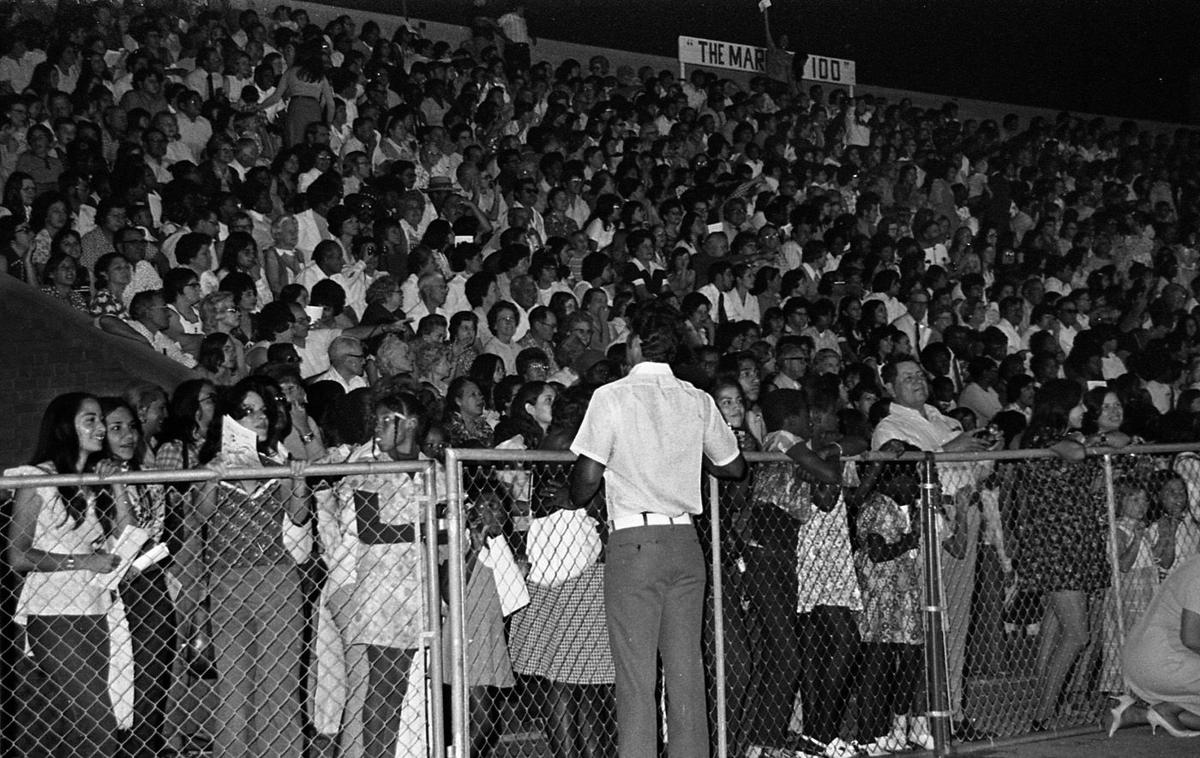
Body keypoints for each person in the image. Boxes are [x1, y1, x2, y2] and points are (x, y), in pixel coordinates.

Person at [569, 304, 745, 758]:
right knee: (686, 669)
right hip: (686, 542)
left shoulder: (611, 396)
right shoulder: (696, 398)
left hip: (634, 541)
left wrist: (569, 496)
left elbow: (587, 479)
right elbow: (733, 466)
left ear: (633, 344)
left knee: (635, 675)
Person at [177, 378, 310, 758]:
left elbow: (298, 516)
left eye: (263, 411)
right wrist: (212, 477)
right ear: (230, 421)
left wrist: (297, 479)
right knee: (234, 688)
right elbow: (198, 519)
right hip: (227, 582)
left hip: (277, 581)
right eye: (248, 412)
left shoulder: (277, 464)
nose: (260, 419)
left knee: (279, 686)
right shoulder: (212, 468)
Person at [6, 392, 128, 757]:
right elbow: (18, 553)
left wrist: (119, 486)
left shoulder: (94, 481)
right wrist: (81, 563)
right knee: (98, 723)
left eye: (99, 420)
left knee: (72, 725)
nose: (101, 427)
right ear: (64, 428)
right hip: (53, 614)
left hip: (95, 612)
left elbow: (127, 537)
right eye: (89, 419)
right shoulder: (39, 479)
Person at [1106, 554, 1200, 737]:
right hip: (1164, 660)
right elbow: (1191, 638)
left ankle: (1139, 714)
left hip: (1161, 657)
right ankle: (1167, 708)